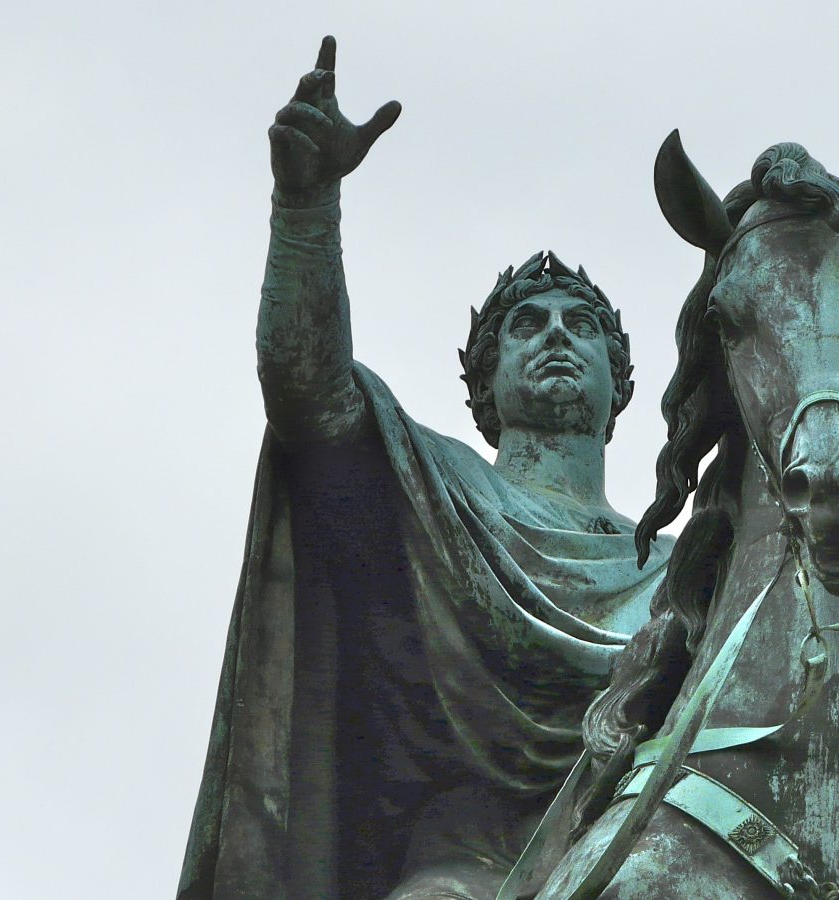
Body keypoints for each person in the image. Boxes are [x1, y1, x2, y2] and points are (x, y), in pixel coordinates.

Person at [177, 37, 672, 899]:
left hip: (654, 852)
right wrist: (306, 208)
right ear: (486, 389)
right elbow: (306, 390)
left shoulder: (683, 569)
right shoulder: (435, 484)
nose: (556, 332)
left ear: (619, 384)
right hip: (470, 866)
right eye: (526, 325)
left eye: (579, 325)